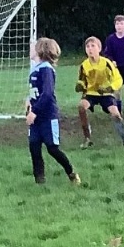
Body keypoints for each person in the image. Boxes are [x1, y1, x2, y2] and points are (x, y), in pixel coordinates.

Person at [26, 38, 81, 185]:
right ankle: (40, 182)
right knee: (34, 147)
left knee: (52, 148)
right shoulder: (35, 69)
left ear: (40, 50)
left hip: (47, 117)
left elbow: (47, 94)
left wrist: (34, 111)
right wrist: (28, 103)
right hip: (35, 118)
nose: (30, 48)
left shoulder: (46, 69)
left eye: (33, 46)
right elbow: (35, 91)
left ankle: (71, 173)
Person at [75, 37, 124, 148]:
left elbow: (118, 79)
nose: (90, 49)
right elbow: (82, 80)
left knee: (115, 114)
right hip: (91, 93)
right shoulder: (84, 65)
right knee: (81, 107)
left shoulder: (106, 63)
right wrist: (80, 86)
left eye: (93, 46)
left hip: (105, 94)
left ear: (99, 49)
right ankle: (87, 138)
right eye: (87, 46)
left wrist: (110, 88)